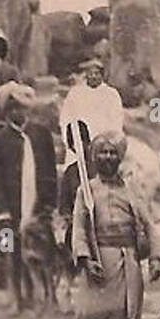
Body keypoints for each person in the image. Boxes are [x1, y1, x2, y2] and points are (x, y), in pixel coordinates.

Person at [72, 133, 160, 319]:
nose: (108, 157)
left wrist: (155, 258)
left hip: (127, 261)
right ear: (95, 157)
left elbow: (150, 225)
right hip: (98, 262)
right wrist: (86, 258)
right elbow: (79, 228)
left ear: (119, 157)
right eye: (103, 152)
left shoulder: (132, 191)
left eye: (113, 153)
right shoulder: (86, 191)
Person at [58, 57, 125, 254]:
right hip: (79, 148)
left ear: (103, 75)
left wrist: (107, 144)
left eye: (97, 72)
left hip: (103, 148)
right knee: (73, 184)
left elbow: (117, 122)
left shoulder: (111, 95)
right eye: (90, 72)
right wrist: (73, 143)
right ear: (85, 73)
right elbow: (66, 119)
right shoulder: (75, 94)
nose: (93, 76)